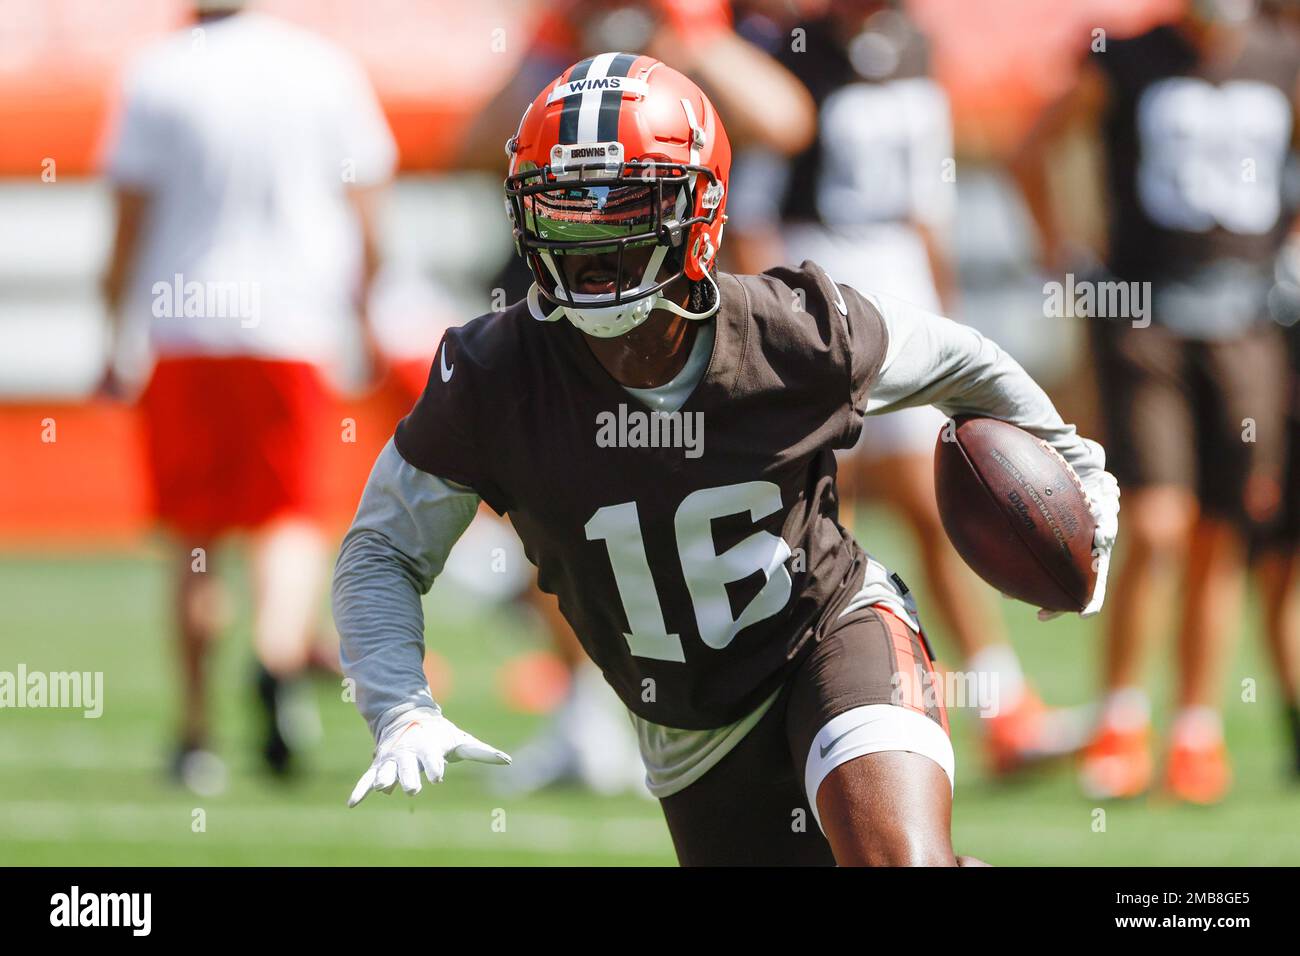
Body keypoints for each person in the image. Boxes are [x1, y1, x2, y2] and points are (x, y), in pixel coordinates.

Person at [334, 54, 1119, 865]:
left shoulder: (795, 331)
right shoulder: (494, 376)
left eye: (626, 205)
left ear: (698, 208)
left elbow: (967, 360)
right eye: (567, 210)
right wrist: (399, 703)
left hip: (829, 633)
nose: (596, 240)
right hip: (687, 730)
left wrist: (1080, 476)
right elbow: (383, 549)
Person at [726, 0, 1086, 773]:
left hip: (899, 288)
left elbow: (930, 202)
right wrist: (773, 325)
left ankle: (1002, 707)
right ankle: (803, 713)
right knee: (821, 504)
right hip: (815, 287)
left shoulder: (914, 44)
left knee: (941, 496)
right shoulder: (786, 50)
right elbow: (752, 206)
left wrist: (945, 311)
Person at [101, 0, 395, 790]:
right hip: (293, 325)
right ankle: (274, 655)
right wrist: (366, 316)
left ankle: (196, 737)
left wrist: (110, 334)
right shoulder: (321, 65)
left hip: (184, 325)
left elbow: (127, 221)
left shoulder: (158, 72)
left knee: (195, 536)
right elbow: (368, 210)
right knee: (288, 519)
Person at [1012, 0, 1299, 803]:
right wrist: (1061, 255)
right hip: (1147, 319)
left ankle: (1197, 731)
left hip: (1247, 324)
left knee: (1224, 530)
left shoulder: (1283, 55)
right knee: (1158, 522)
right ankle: (1123, 717)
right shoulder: (1127, 57)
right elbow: (1030, 149)